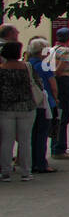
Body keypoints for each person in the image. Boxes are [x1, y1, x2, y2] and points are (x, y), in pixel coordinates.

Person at [0, 40, 41, 181]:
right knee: (25, 140)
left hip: (5, 108)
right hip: (27, 107)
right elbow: (38, 84)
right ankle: (26, 172)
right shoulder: (27, 67)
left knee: (6, 141)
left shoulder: (1, 69)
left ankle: (5, 172)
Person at [25, 38, 57, 173]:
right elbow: (53, 85)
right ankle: (42, 163)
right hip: (45, 102)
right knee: (42, 134)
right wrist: (56, 98)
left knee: (32, 134)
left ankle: (32, 163)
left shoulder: (27, 64)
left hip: (31, 102)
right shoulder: (45, 65)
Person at [50, 27, 69, 158]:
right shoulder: (65, 51)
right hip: (64, 82)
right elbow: (61, 67)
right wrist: (57, 74)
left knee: (56, 115)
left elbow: (46, 67)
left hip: (54, 82)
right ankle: (59, 148)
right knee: (64, 115)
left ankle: (54, 146)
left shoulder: (49, 49)